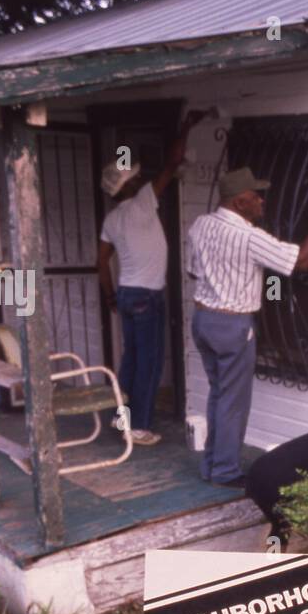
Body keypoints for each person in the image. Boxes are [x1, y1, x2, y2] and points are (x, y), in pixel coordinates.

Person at [187, 170, 308, 487]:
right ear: (240, 201)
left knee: (219, 395)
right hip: (232, 324)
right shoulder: (248, 236)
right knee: (233, 402)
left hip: (203, 320)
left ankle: (212, 465)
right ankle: (225, 471)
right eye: (256, 195)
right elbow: (300, 261)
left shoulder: (200, 225)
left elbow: (193, 272)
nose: (262, 200)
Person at [98, 110, 209, 445]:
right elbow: (173, 163)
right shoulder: (143, 202)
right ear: (129, 185)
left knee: (131, 360)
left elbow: (100, 262)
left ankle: (122, 419)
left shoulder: (112, 218)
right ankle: (138, 426)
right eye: (134, 176)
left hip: (128, 293)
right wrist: (187, 126)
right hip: (147, 295)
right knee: (148, 364)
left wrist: (111, 297)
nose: (139, 177)